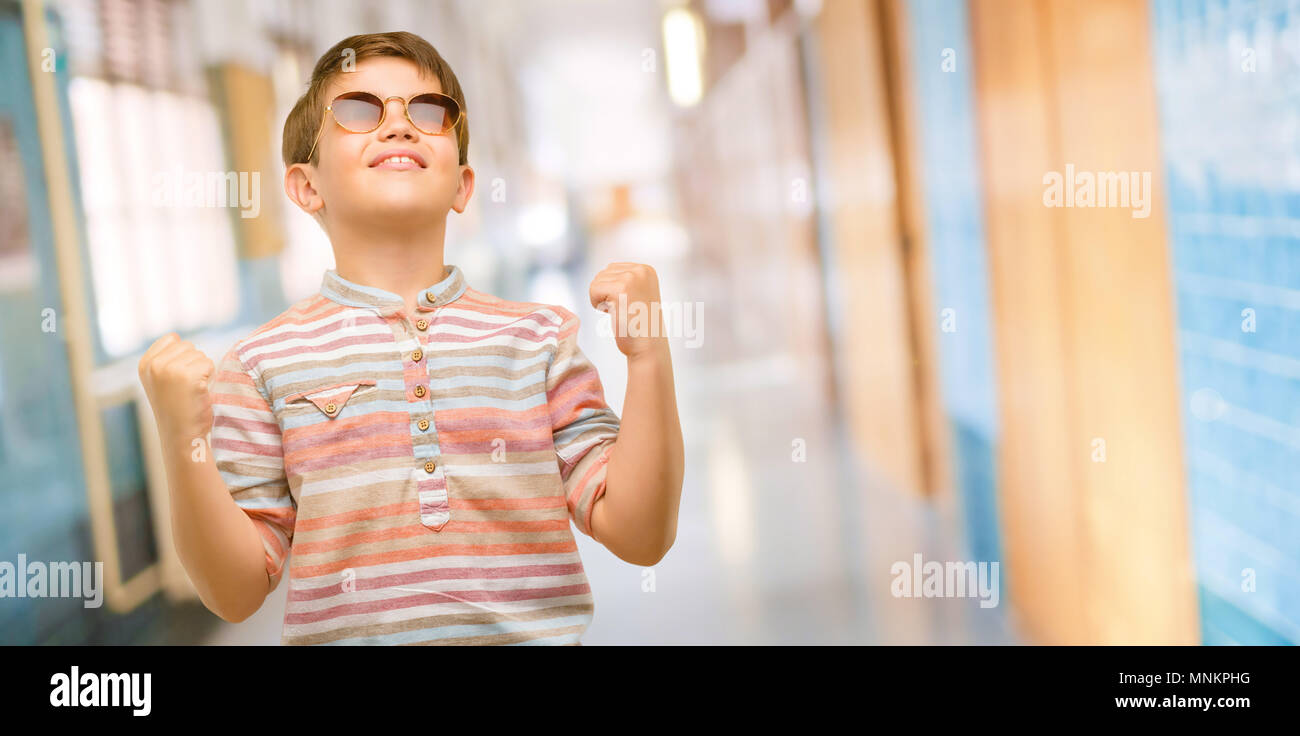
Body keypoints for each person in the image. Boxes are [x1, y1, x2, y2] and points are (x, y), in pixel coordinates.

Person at [137, 31, 684, 645]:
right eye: (359, 109)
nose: (399, 124)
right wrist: (183, 440)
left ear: (462, 185)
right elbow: (237, 593)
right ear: (306, 186)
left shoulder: (538, 341)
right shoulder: (262, 364)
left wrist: (649, 357)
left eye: (428, 111)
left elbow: (639, 535)